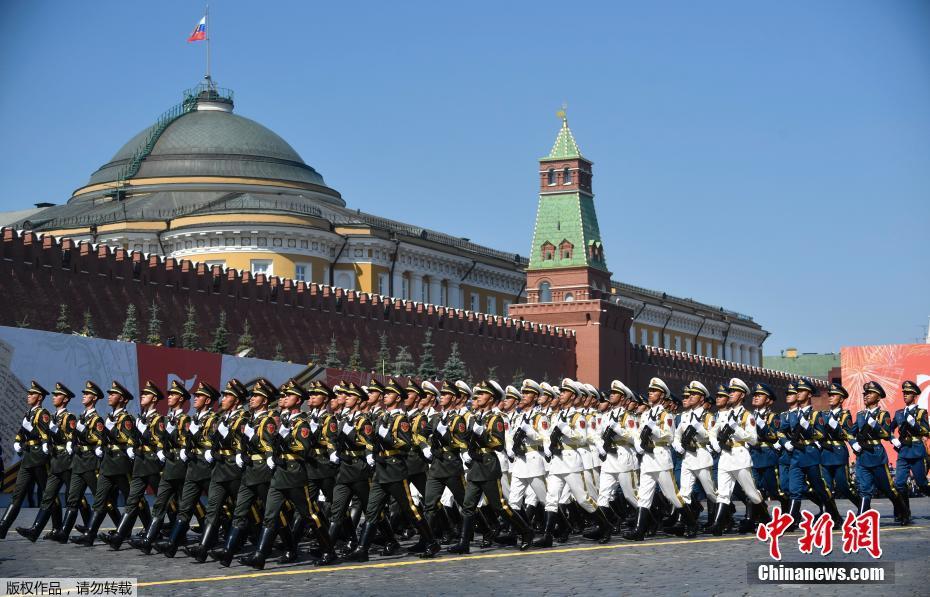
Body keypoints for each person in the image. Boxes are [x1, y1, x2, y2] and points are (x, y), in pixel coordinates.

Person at [240, 379, 337, 569]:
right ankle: (260, 555)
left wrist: (283, 440)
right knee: (270, 514)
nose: (283, 398)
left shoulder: (302, 422)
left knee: (309, 515)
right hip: (279, 473)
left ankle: (329, 551)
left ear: (298, 399)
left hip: (294, 473)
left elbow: (304, 447)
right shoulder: (280, 421)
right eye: (283, 395)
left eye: (288, 396)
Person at [346, 378, 438, 562]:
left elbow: (406, 444)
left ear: (397, 398)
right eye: (385, 393)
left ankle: (431, 542)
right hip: (381, 469)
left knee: (410, 509)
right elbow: (372, 441)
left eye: (389, 393)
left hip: (396, 469)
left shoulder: (401, 419)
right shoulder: (381, 417)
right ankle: (362, 549)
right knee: (372, 510)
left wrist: (387, 437)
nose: (385, 396)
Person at [448, 380, 534, 554]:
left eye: (482, 394)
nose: (478, 396)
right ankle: (464, 543)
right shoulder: (476, 416)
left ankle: (526, 532)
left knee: (499, 505)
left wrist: (482, 436)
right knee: (468, 505)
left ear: (491, 398)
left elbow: (498, 443)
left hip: (488, 464)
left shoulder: (496, 418)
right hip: (476, 465)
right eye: (477, 394)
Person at [210, 378, 278, 567]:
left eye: (257, 396)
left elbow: (268, 446)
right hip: (248, 472)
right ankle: (228, 552)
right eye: (253, 395)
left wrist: (251, 437)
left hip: (263, 470)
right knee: (240, 512)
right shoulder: (250, 419)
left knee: (271, 513)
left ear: (264, 401)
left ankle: (286, 545)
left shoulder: (268, 420)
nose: (252, 399)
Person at [184, 378, 249, 562]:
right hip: (220, 469)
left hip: (235, 469)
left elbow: (242, 442)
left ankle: (251, 539)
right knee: (213, 508)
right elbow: (211, 441)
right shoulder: (220, 418)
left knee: (244, 509)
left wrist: (224, 435)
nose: (224, 398)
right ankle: (203, 547)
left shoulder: (243, 418)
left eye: (228, 395)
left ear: (236, 400)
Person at [157, 380, 222, 558]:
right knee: (185, 507)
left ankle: (211, 542)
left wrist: (196, 440)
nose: (195, 399)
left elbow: (213, 442)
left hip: (208, 468)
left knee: (215, 509)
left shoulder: (213, 419)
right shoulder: (194, 419)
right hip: (193, 468)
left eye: (199, 396)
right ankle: (172, 543)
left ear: (208, 401)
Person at [625, 377, 695, 541]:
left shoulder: (666, 415)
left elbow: (668, 436)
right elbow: (638, 433)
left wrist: (653, 428)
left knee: (672, 495)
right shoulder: (646, 414)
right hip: (648, 458)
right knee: (644, 495)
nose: (650, 393)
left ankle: (692, 523)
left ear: (662, 394)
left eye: (654, 391)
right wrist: (638, 444)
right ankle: (639, 530)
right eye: (650, 390)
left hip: (661, 458)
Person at [130, 380, 193, 553]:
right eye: (170, 394)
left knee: (183, 504)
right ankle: (149, 540)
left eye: (173, 394)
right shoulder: (167, 418)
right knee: (160, 503)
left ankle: (179, 535)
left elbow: (187, 441)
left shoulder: (184, 418)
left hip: (180, 465)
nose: (170, 397)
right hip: (169, 465)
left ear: (180, 399)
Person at [72, 380, 137, 546]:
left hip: (121, 464)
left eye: (113, 394)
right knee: (99, 500)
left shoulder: (125, 417)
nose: (109, 397)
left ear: (122, 399)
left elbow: (128, 439)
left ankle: (147, 531)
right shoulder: (110, 418)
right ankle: (89, 534)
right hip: (108, 463)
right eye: (109, 394)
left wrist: (108, 431)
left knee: (134, 500)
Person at [108, 380, 168, 549]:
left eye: (146, 394)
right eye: (142, 394)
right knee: (132, 500)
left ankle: (170, 532)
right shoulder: (140, 419)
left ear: (154, 399)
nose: (142, 397)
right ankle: (119, 536)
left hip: (153, 465)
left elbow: (160, 441)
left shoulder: (157, 419)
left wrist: (142, 434)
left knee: (164, 502)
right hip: (140, 463)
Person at [708, 378, 769, 536]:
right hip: (725, 456)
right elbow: (713, 432)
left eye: (733, 391)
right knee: (723, 492)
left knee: (751, 493)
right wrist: (716, 444)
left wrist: (736, 430)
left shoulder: (747, 416)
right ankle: (717, 524)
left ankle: (767, 519)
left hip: (740, 455)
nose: (730, 394)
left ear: (742, 395)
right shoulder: (724, 414)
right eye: (729, 391)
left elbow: (754, 439)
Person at [15, 382, 75, 541]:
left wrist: (64, 439)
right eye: (54, 395)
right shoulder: (52, 417)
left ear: (65, 399)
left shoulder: (69, 417)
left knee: (74, 498)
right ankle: (36, 531)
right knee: (48, 496)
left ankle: (85, 529)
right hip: (55, 461)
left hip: (67, 462)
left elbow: (69, 437)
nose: (54, 397)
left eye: (57, 395)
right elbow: (45, 436)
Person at [782, 378, 841, 524]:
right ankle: (790, 521)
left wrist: (807, 427)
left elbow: (821, 435)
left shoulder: (816, 415)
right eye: (797, 391)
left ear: (809, 395)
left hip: (811, 454)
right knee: (795, 489)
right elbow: (782, 431)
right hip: (796, 454)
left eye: (802, 391)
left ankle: (835, 516)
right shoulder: (792, 415)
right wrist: (785, 442)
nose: (798, 393)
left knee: (819, 488)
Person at [0, 381, 52, 539]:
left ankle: (56, 526)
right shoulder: (28, 413)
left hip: (39, 457)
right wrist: (17, 441)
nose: (28, 396)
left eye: (32, 394)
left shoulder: (43, 413)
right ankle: (3, 527)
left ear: (40, 397)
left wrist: (31, 430)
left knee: (49, 495)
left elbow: (45, 434)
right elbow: (21, 431)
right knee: (18, 493)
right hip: (28, 457)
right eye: (28, 393)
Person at [851, 381, 907, 520]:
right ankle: (861, 518)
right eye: (865, 394)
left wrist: (874, 424)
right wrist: (853, 443)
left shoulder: (883, 415)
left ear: (878, 397)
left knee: (888, 488)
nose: (866, 396)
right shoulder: (860, 414)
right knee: (864, 489)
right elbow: (850, 432)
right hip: (863, 454)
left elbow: (885, 433)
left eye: (870, 393)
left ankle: (903, 511)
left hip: (876, 454)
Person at [670, 381, 715, 538]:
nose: (690, 397)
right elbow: (676, 435)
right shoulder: (685, 416)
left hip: (702, 456)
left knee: (711, 493)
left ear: (702, 399)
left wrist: (699, 428)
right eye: (690, 394)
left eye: (694, 394)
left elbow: (711, 436)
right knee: (683, 494)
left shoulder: (708, 417)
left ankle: (721, 519)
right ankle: (690, 525)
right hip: (688, 458)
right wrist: (677, 445)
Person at [890, 380, 928, 524]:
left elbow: (926, 431)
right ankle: (905, 513)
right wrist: (893, 439)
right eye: (904, 393)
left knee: (922, 483)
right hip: (903, 451)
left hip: (917, 450)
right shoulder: (899, 413)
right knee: (899, 484)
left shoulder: (921, 412)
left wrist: (914, 423)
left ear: (915, 396)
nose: (905, 395)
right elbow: (888, 429)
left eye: (908, 393)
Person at [820, 382, 858, 510]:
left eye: (834, 395)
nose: (830, 397)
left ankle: (862, 507)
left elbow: (848, 434)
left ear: (841, 399)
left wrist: (836, 427)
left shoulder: (845, 415)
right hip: (825, 453)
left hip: (838, 453)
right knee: (826, 487)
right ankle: (831, 514)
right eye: (829, 395)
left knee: (844, 486)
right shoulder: (823, 414)